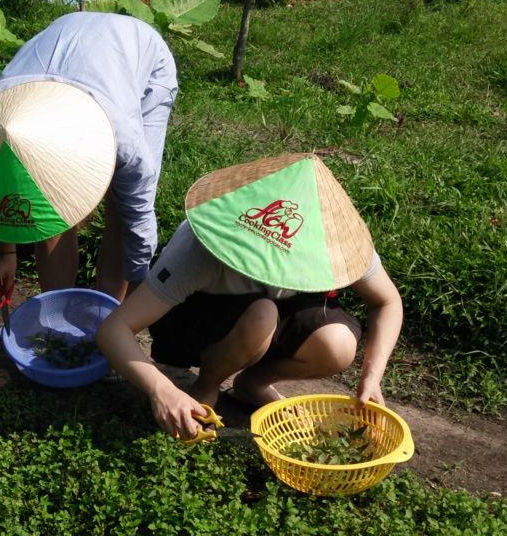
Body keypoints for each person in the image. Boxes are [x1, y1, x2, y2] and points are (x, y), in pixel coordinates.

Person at [96, 154, 404, 441]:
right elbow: (114, 329)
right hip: (197, 321)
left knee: (337, 345)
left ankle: (252, 385)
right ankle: (205, 386)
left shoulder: (336, 244)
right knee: (262, 315)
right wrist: (161, 390)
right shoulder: (202, 248)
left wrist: (372, 377)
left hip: (264, 313)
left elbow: (387, 302)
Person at [0, 11, 178, 305]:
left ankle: (105, 314)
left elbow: (139, 223)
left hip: (143, 57)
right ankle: (57, 309)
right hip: (67, 37)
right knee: (50, 204)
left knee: (120, 211)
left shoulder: (126, 145)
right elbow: (3, 182)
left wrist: (133, 305)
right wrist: (6, 252)